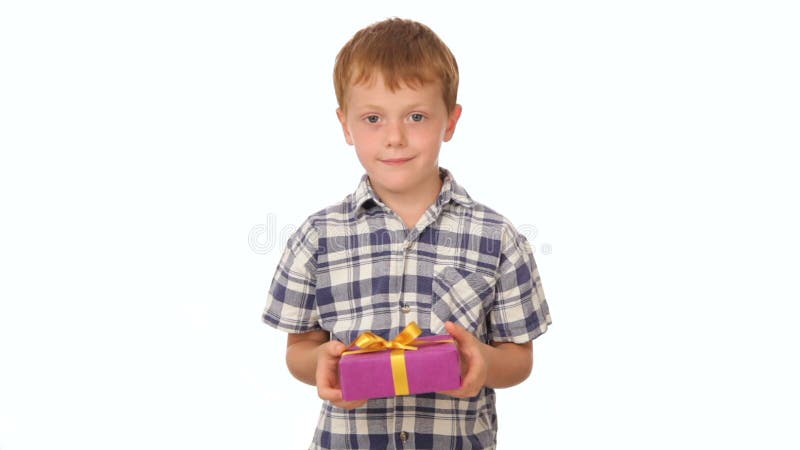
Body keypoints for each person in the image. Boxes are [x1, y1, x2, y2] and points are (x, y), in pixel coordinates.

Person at [262, 17, 551, 449]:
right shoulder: (316, 237)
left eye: (416, 116)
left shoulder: (498, 237)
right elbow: (299, 348)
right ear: (345, 125)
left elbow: (519, 358)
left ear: (449, 121)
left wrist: (482, 362)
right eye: (373, 118)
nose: (394, 137)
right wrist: (323, 361)